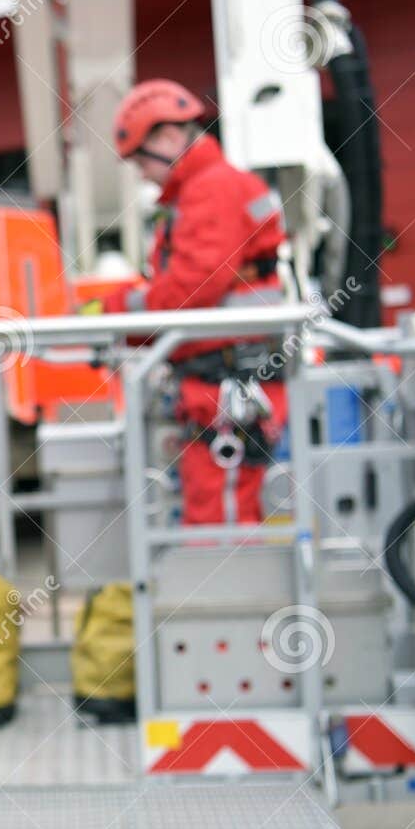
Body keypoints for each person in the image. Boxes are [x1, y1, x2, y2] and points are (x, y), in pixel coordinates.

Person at [107, 79, 290, 525]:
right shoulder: (211, 189)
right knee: (223, 512)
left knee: (223, 527)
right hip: (225, 386)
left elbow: (193, 287)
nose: (142, 175)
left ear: (170, 139)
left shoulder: (209, 191)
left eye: (142, 162)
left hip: (226, 389)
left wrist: (117, 315)